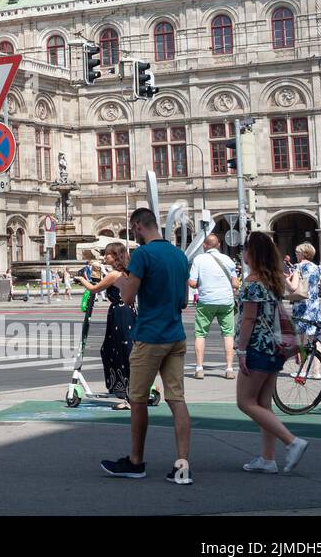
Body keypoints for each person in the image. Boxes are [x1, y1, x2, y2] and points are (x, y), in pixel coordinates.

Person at [102, 207, 193, 483]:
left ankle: (136, 461)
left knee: (138, 400)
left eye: (133, 231)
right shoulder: (179, 255)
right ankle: (182, 466)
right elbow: (184, 301)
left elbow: (128, 297)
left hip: (150, 337)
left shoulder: (143, 254)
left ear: (139, 226)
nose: (134, 236)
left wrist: (121, 278)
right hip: (176, 335)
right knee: (177, 400)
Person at [235, 231, 310, 474]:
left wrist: (241, 349)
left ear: (251, 253)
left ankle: (291, 441)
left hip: (257, 347)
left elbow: (248, 320)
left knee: (245, 402)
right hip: (275, 348)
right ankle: (268, 459)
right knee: (264, 404)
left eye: (245, 249)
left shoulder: (252, 283)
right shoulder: (273, 280)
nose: (242, 253)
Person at [74, 242, 134, 408]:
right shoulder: (127, 272)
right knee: (124, 350)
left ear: (115, 256)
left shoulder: (115, 274)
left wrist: (81, 279)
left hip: (120, 314)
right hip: (127, 312)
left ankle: (126, 394)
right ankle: (128, 391)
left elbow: (94, 289)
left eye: (107, 254)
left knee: (116, 351)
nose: (104, 256)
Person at [189, 233, 240, 380]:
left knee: (200, 334)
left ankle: (199, 368)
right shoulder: (228, 260)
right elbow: (235, 284)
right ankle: (229, 368)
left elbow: (192, 283)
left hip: (206, 301)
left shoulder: (198, 260)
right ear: (218, 245)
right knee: (228, 334)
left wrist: (202, 284)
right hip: (226, 301)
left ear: (204, 245)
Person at [289, 243, 321, 381]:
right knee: (315, 340)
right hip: (314, 306)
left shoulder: (298, 267)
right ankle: (317, 371)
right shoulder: (316, 267)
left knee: (302, 341)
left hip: (302, 307)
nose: (295, 255)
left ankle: (302, 370)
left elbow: (293, 287)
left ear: (303, 254)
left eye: (297, 252)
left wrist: (286, 279)